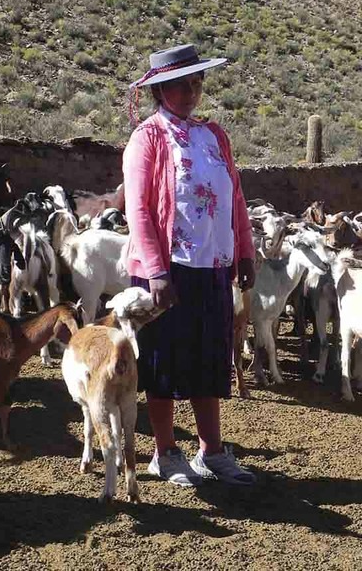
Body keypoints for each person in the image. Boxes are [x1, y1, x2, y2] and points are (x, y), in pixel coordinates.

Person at [122, 44, 257, 486]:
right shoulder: (148, 138)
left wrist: (244, 252)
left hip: (213, 265)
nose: (192, 90)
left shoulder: (214, 136)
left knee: (209, 359)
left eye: (198, 81)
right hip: (166, 270)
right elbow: (139, 208)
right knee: (164, 360)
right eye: (182, 83)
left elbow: (234, 196)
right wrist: (157, 270)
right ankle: (165, 451)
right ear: (161, 89)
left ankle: (211, 451)